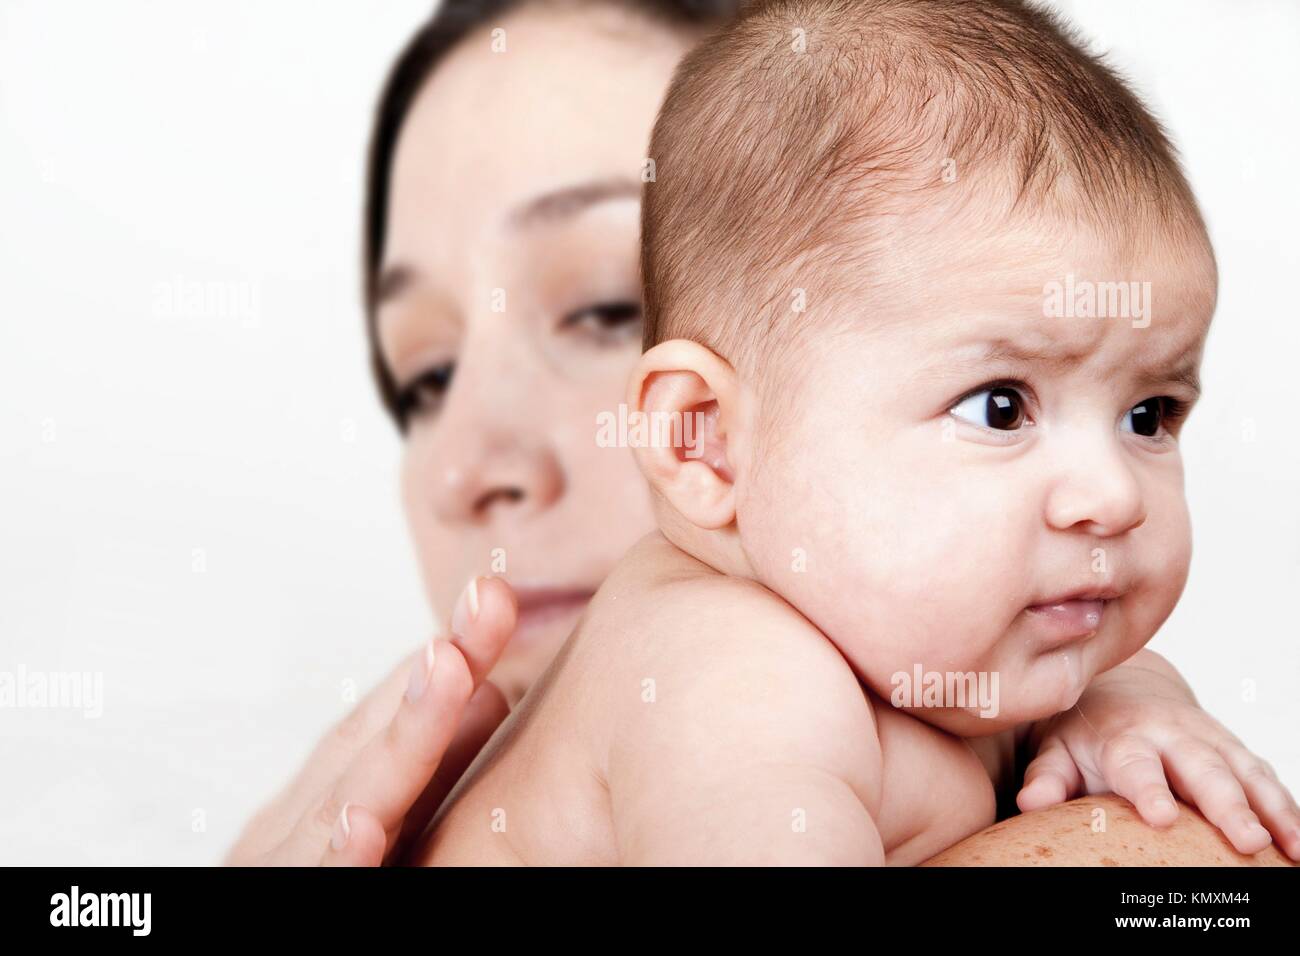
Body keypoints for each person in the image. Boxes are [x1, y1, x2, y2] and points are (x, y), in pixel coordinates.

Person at [225, 0, 1297, 866]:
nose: (1110, 494)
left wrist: (1133, 707)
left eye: (1149, 413)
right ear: (703, 443)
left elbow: (1072, 672)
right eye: (1001, 406)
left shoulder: (925, 628)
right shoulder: (732, 676)